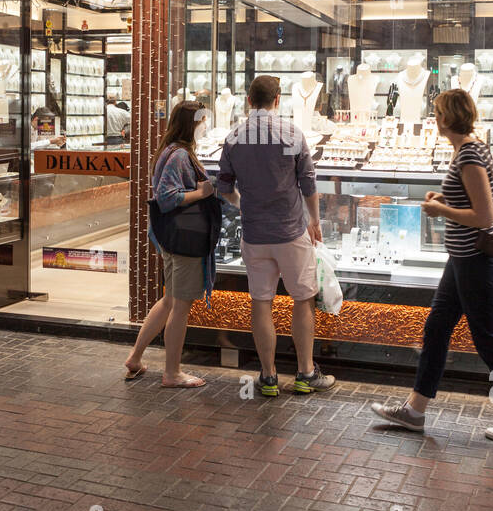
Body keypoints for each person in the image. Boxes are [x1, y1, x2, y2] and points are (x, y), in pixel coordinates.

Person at [371, 89, 493, 443]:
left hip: (476, 261)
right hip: (463, 260)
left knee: (489, 342)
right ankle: (415, 411)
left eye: (436, 113)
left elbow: (484, 215)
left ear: (446, 118)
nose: (434, 119)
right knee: (436, 328)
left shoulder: (469, 154)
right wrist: (445, 198)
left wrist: (440, 210)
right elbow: (475, 196)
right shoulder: (469, 149)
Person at [216, 75, 335, 397]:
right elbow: (309, 184)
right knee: (302, 299)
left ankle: (268, 377)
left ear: (249, 101)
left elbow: (224, 188)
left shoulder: (233, 137)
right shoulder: (292, 133)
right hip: (291, 230)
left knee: (261, 302)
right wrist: (314, 221)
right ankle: (305, 373)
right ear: (278, 100)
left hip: (255, 233)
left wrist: (245, 206)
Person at [124, 101, 216, 388]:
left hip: (172, 236)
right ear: (193, 124)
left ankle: (135, 358)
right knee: (179, 306)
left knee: (169, 301)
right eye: (203, 122)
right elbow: (167, 197)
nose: (206, 127)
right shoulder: (179, 155)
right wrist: (201, 193)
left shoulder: (172, 149)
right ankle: (172, 372)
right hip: (184, 238)